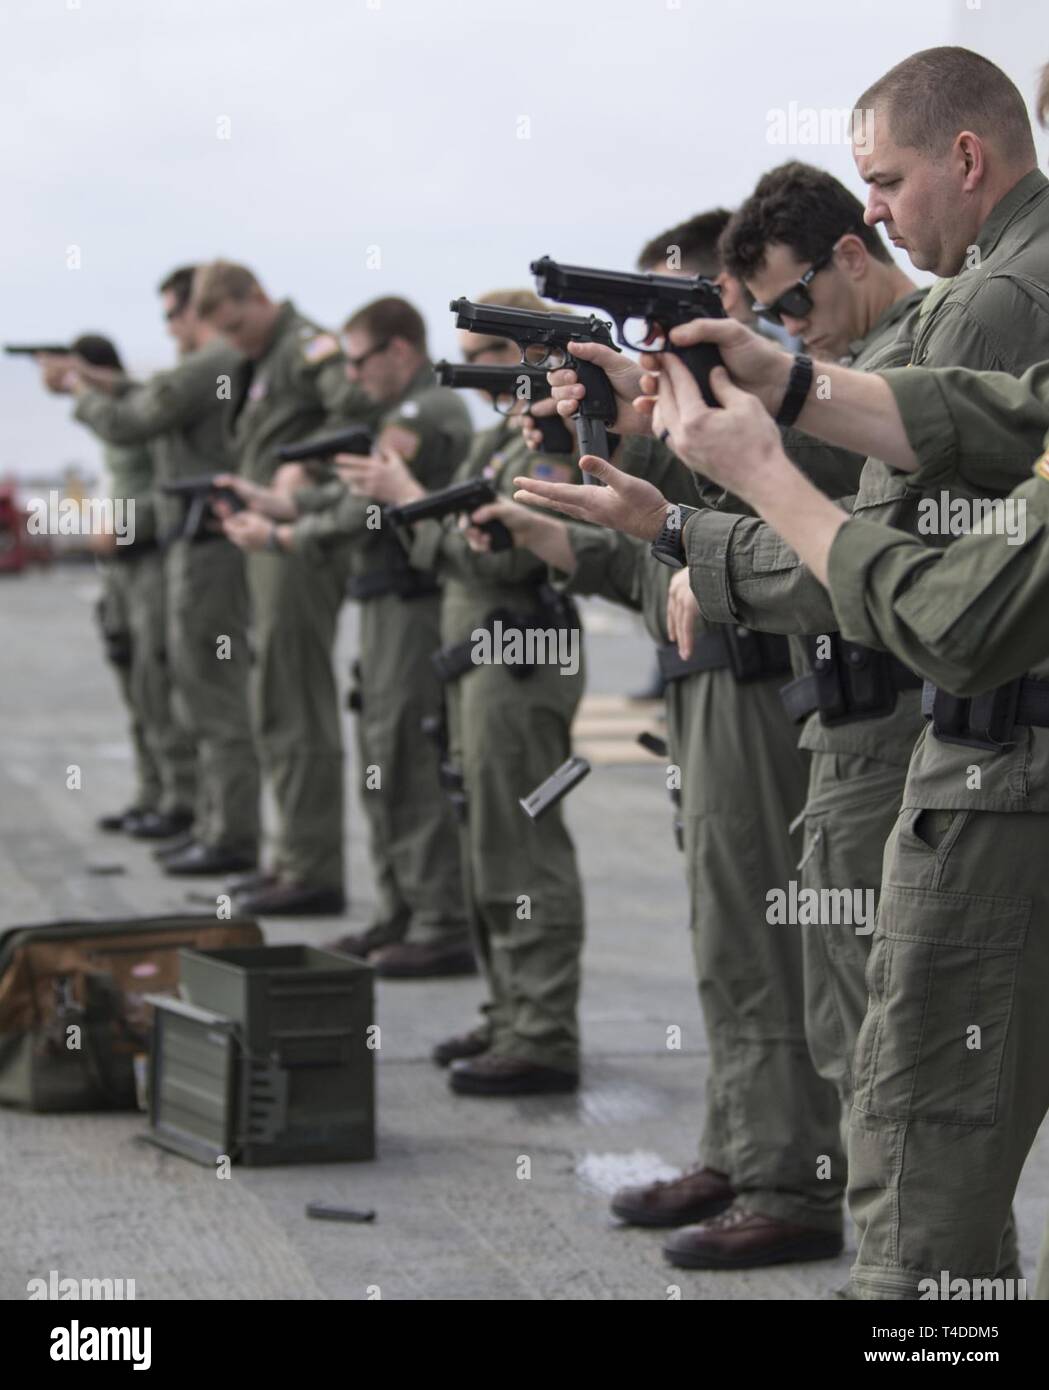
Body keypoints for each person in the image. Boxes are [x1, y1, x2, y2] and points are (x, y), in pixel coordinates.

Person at [519, 47, 1049, 1288]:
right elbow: (989, 428)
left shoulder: (984, 298)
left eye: (884, 180)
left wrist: (710, 503)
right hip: (944, 742)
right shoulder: (979, 299)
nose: (872, 209)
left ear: (963, 159)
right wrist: (774, 401)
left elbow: (935, 590)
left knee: (915, 1148)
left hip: (973, 755)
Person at [343, 289, 586, 1091]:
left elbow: (505, 557)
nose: (467, 367)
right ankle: (511, 1013)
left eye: (483, 355)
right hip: (480, 665)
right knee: (486, 843)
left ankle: (542, 1030)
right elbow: (451, 546)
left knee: (523, 845)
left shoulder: (545, 443)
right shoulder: (498, 443)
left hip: (516, 661)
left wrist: (408, 498)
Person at [221, 297, 475, 978]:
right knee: (382, 761)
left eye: (359, 360)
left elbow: (368, 504)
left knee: (408, 762)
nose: (351, 375)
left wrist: (284, 531)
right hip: (385, 603)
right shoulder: (402, 414)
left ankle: (441, 922)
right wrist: (291, 504)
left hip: (412, 604)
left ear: (398, 351)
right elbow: (354, 498)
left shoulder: (424, 414)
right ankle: (401, 914)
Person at [194, 260, 375, 916]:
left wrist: (307, 465)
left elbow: (359, 407)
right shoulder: (266, 354)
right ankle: (292, 856)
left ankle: (311, 869)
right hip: (268, 537)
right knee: (275, 694)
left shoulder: (305, 346)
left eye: (239, 324)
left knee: (294, 698)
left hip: (298, 545)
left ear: (260, 297)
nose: (235, 340)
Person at [64, 266, 259, 876]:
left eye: (176, 315)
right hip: (189, 543)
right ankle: (206, 819)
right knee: (179, 687)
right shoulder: (206, 365)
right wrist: (107, 384)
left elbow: (134, 419)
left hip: (203, 545)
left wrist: (83, 390)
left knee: (208, 694)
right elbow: (146, 402)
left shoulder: (213, 362)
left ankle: (225, 831)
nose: (173, 328)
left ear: (195, 311)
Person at [38, 336, 195, 839]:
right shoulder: (118, 412)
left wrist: (122, 526)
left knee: (154, 681)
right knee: (131, 676)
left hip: (147, 558)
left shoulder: (137, 412)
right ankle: (152, 793)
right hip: (120, 567)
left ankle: (179, 798)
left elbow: (159, 486)